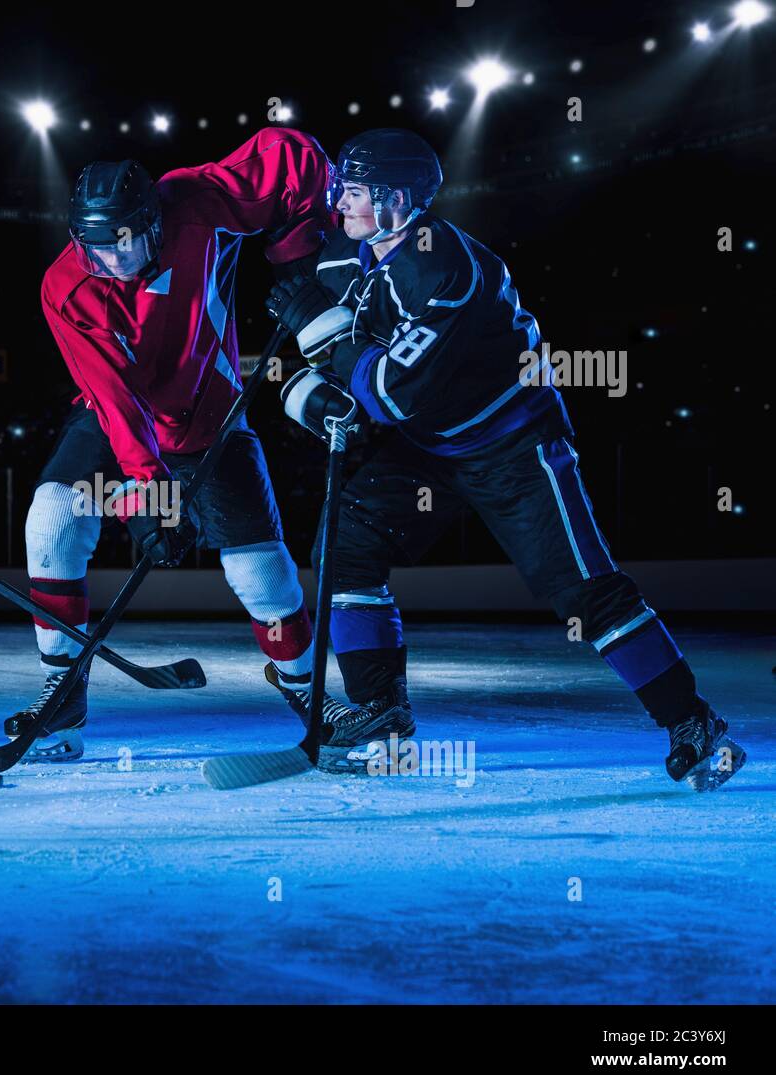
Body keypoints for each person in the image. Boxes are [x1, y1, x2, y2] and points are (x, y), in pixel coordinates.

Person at [267, 128, 744, 788]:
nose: (337, 202)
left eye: (352, 191)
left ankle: (696, 725)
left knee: (585, 594)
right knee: (344, 548)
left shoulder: (449, 270)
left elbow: (389, 393)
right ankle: (383, 718)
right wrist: (310, 393)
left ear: (397, 200)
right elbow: (349, 369)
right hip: (430, 446)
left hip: (512, 446)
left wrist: (320, 339)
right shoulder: (350, 253)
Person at [9, 127, 348, 762]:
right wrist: (149, 501)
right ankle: (64, 683)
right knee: (51, 516)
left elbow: (292, 157)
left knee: (262, 573)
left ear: (152, 223)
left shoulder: (195, 202)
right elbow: (114, 401)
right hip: (121, 421)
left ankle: (306, 687)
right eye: (93, 247)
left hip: (213, 413)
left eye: (122, 243)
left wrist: (297, 260)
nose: (109, 262)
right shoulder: (65, 286)